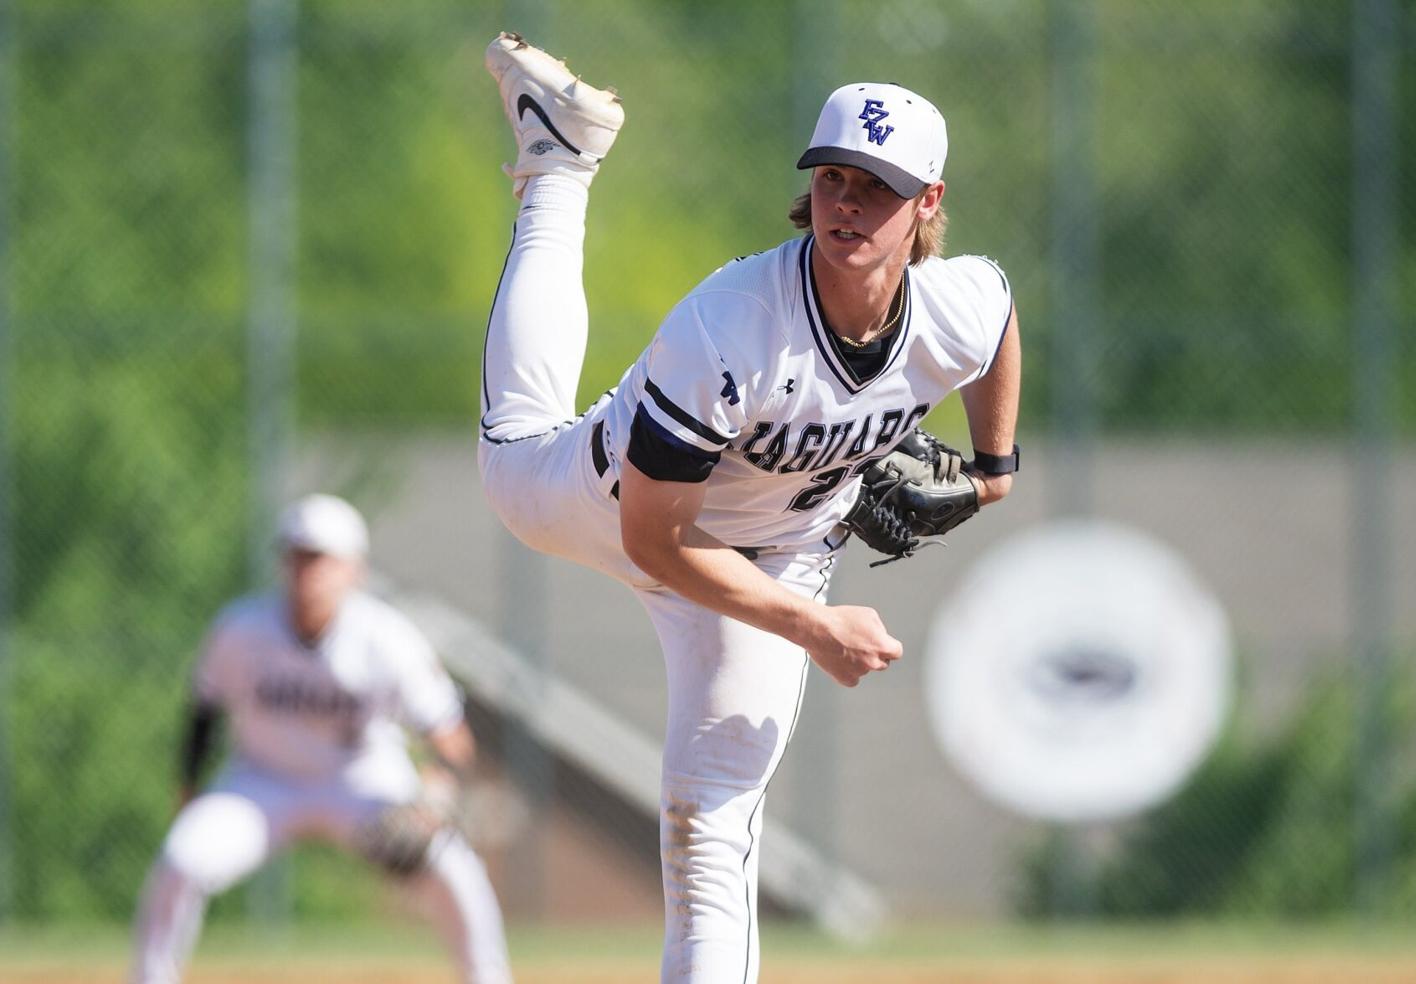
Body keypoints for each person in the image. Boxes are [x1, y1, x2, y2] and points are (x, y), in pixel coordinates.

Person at [477, 32, 1019, 983]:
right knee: (514, 452)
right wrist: (813, 627)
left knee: (712, 817)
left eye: (877, 186)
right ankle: (560, 165)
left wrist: (994, 467)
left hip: (779, 554)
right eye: (834, 178)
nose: (847, 203)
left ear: (928, 204)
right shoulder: (732, 329)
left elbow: (1001, 316)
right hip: (618, 505)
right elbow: (657, 540)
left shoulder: (951, 307)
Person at [129, 494, 512, 984]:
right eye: (296, 555)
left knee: (455, 868)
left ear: (356, 569)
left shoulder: (387, 638)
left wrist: (438, 790)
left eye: (320, 557)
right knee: (182, 859)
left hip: (362, 781)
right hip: (260, 781)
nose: (306, 569)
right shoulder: (241, 630)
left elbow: (450, 736)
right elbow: (203, 710)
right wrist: (188, 791)